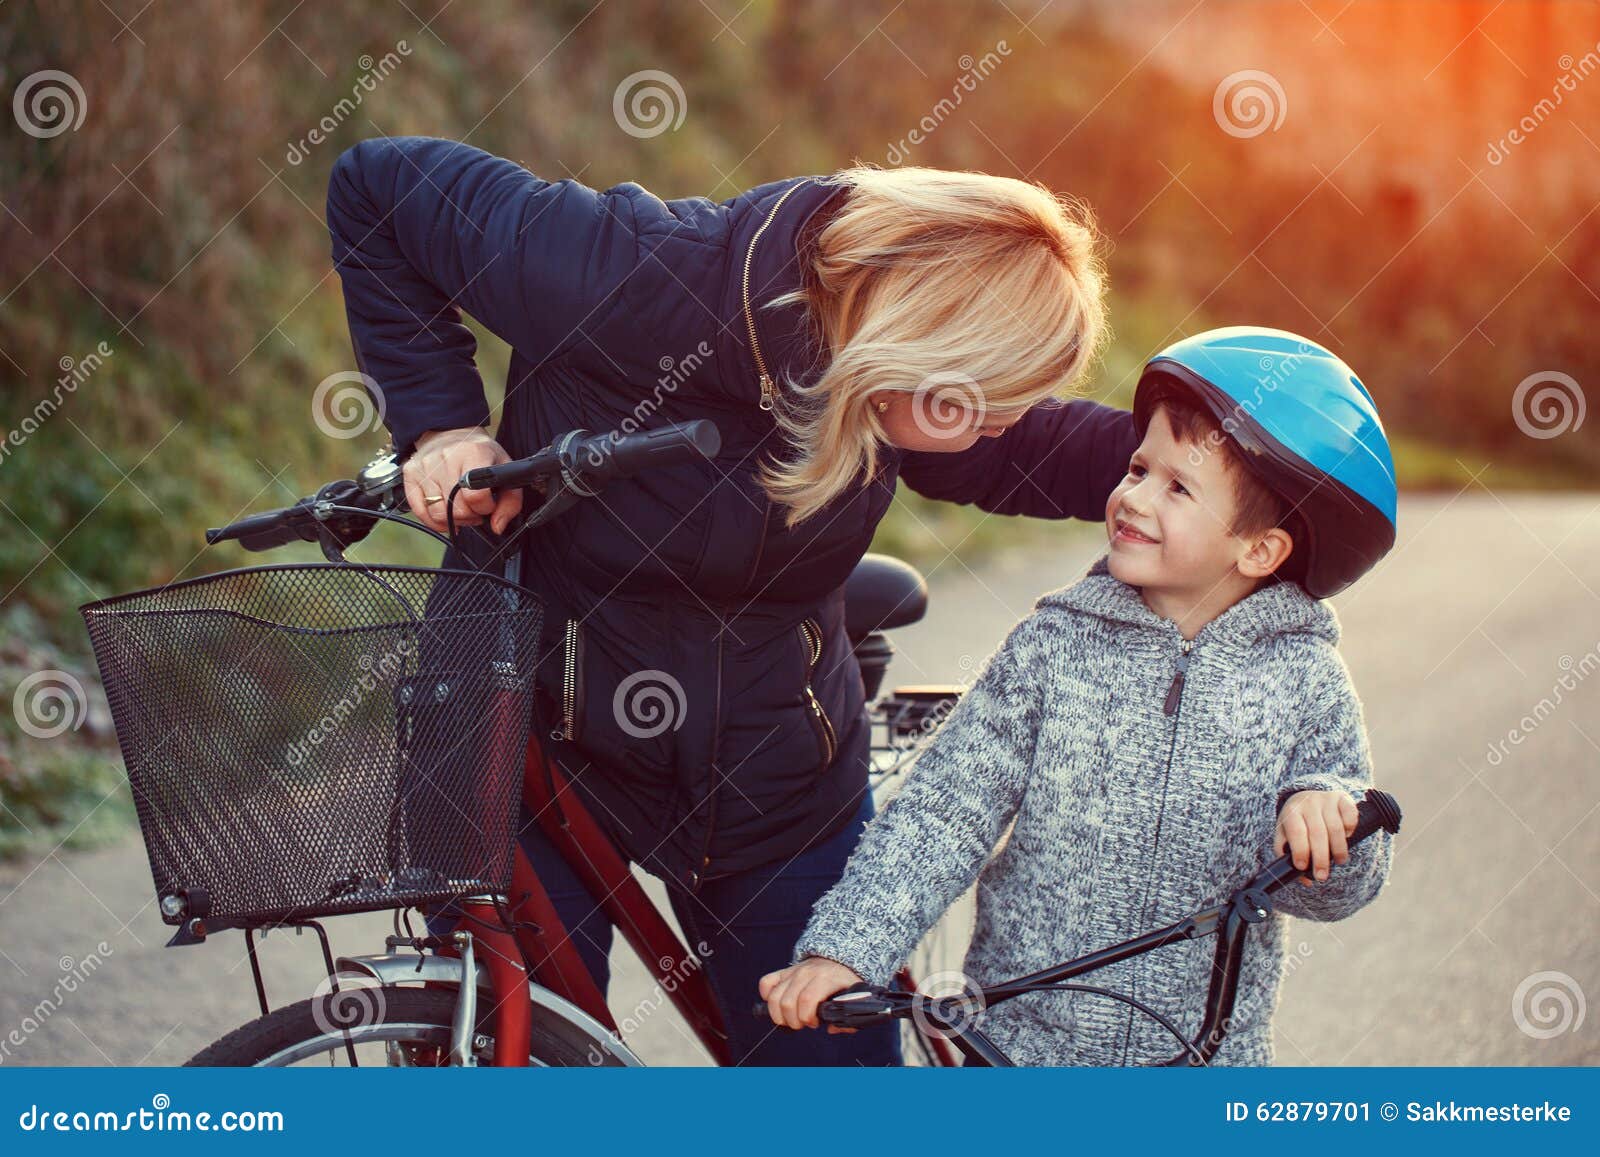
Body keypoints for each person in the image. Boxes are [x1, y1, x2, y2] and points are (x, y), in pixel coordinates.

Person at [324, 136, 1140, 1064]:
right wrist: (442, 423)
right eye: (991, 395)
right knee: (514, 1063)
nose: (1000, 423)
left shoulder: (892, 380)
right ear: (917, 340)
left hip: (771, 767)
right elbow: (381, 188)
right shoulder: (633, 269)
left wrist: (1231, 467)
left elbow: (1039, 451)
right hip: (537, 734)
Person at [760, 326, 1400, 1066]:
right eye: (1137, 467)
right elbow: (944, 810)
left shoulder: (1306, 678)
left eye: (1177, 486)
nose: (1133, 496)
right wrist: (848, 948)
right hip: (1021, 1051)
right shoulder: (1054, 645)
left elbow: (1340, 890)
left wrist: (1325, 818)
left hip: (1203, 1060)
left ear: (1258, 550)